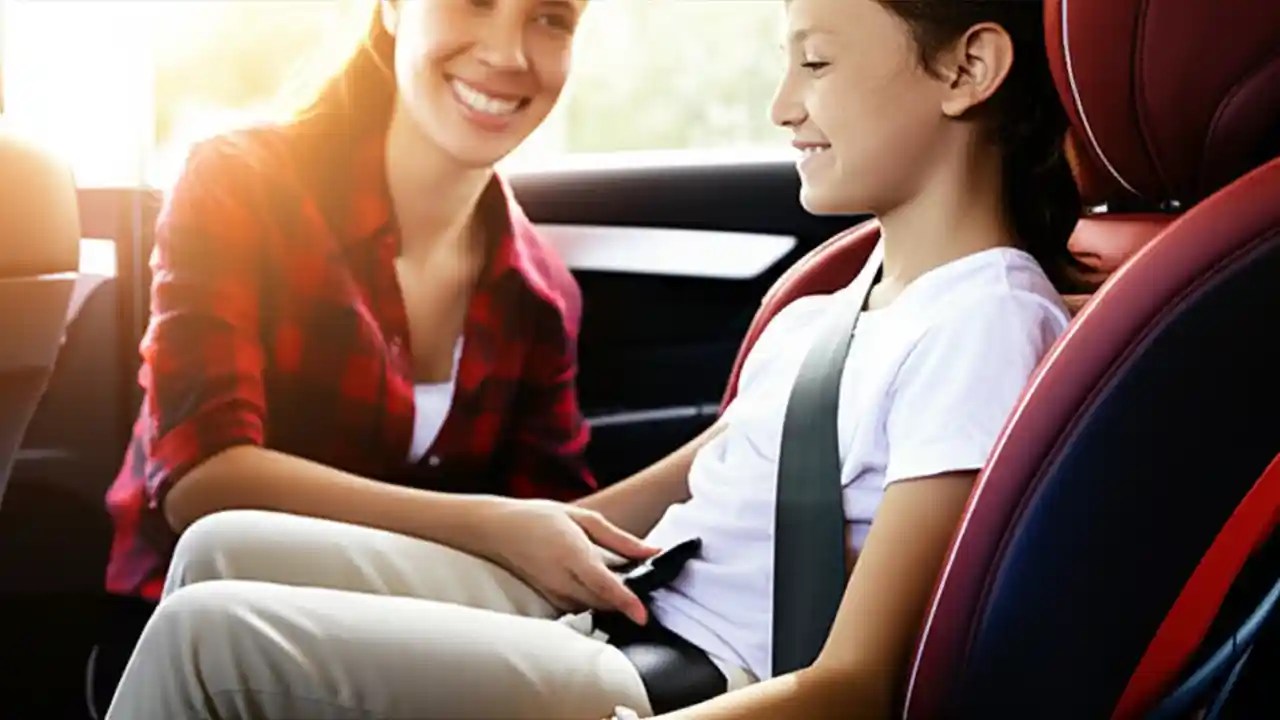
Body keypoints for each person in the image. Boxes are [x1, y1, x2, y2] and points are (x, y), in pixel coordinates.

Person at [105, 0, 1085, 718]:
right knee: (219, 549)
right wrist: (531, 534)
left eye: (816, 63)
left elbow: (854, 683)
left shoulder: (981, 323)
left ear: (966, 71)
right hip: (630, 602)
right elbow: (668, 496)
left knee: (210, 641)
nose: (783, 106)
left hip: (697, 671)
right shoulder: (832, 308)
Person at [101, 0, 656, 621]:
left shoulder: (540, 293)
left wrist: (733, 441)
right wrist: (486, 525)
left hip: (396, 633)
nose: (508, 54)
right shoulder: (239, 185)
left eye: (550, 18)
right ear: (390, 8)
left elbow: (557, 527)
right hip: (196, 627)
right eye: (475, 2)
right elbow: (202, 481)